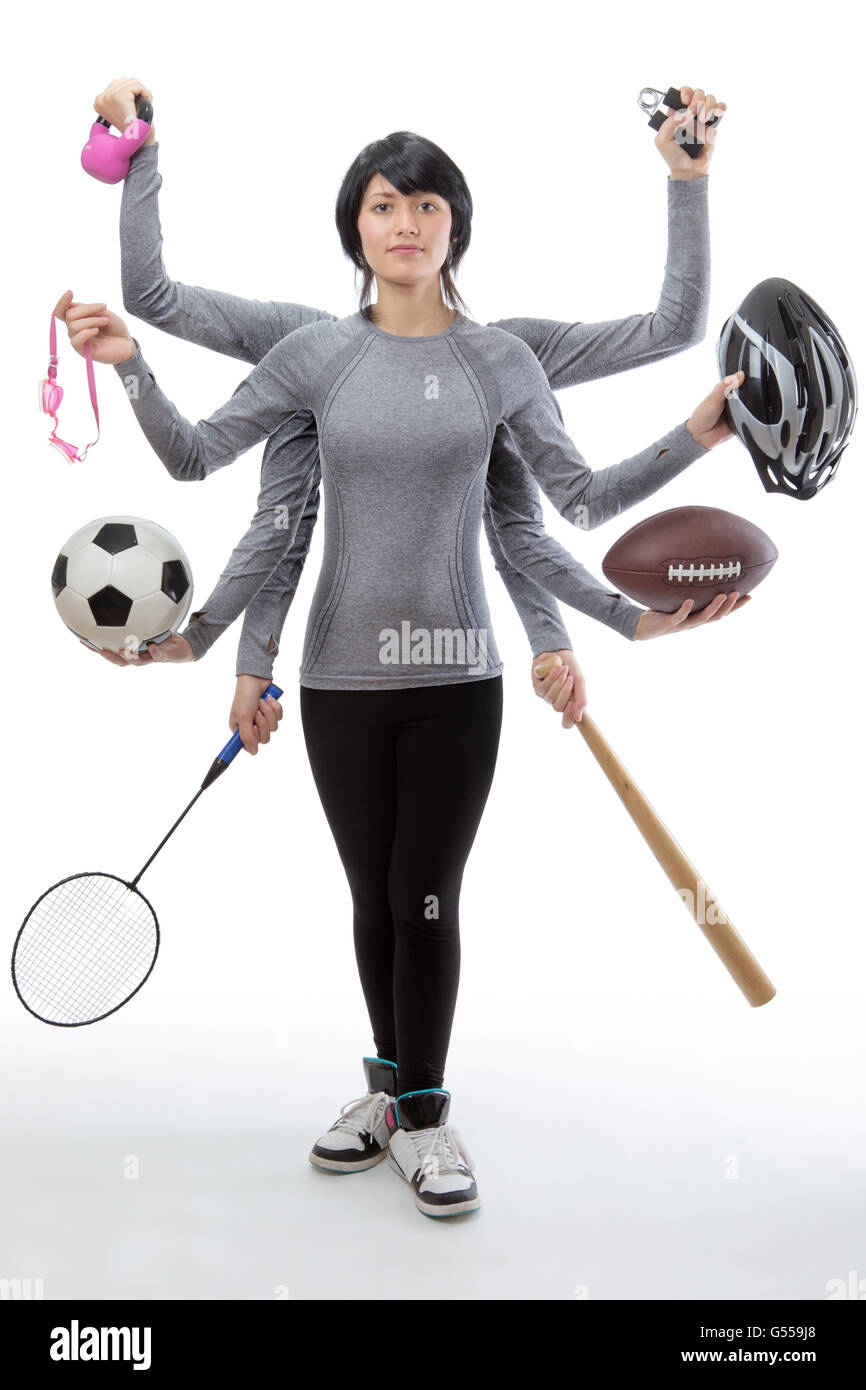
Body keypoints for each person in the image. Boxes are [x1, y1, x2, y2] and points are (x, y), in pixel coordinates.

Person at [59, 101, 746, 1219]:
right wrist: (136, 364)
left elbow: (565, 497)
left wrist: (685, 190)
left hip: (456, 683)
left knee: (424, 894)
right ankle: (387, 1086)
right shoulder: (311, 355)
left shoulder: (501, 358)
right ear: (355, 227)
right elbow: (221, 480)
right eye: (385, 205)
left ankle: (425, 1118)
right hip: (336, 684)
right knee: (373, 902)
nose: (407, 222)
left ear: (454, 227)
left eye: (428, 204)